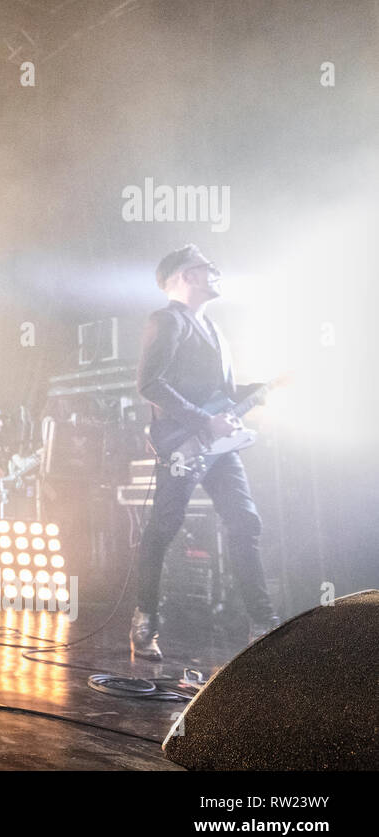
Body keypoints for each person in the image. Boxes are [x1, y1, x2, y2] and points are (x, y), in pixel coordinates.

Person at [130, 244, 279, 660]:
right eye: (207, 267)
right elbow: (150, 383)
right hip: (183, 441)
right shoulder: (166, 320)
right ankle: (144, 619)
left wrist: (263, 390)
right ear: (185, 276)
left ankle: (263, 624)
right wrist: (202, 421)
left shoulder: (217, 332)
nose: (216, 272)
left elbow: (224, 396)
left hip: (217, 445)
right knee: (164, 526)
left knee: (245, 521)